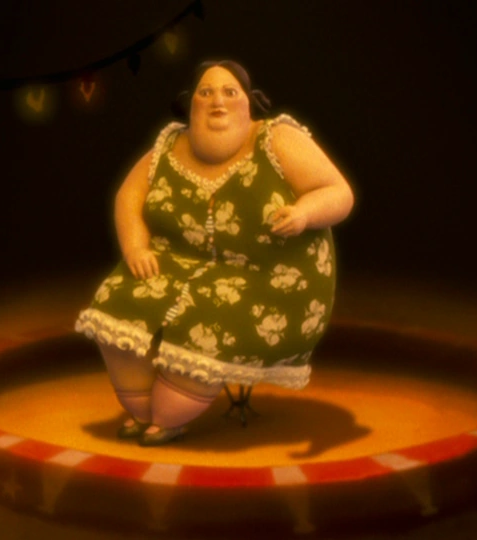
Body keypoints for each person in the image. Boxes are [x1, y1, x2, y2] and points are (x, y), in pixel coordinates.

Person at [75, 60, 354, 446]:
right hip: (178, 263)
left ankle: (168, 416)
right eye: (205, 92)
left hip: (272, 277)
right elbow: (128, 197)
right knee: (118, 297)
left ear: (248, 102)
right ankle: (141, 410)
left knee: (207, 320)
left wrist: (304, 213)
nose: (217, 101)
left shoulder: (277, 139)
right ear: (190, 102)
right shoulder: (169, 146)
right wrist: (135, 246)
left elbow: (338, 192)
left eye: (229, 92)